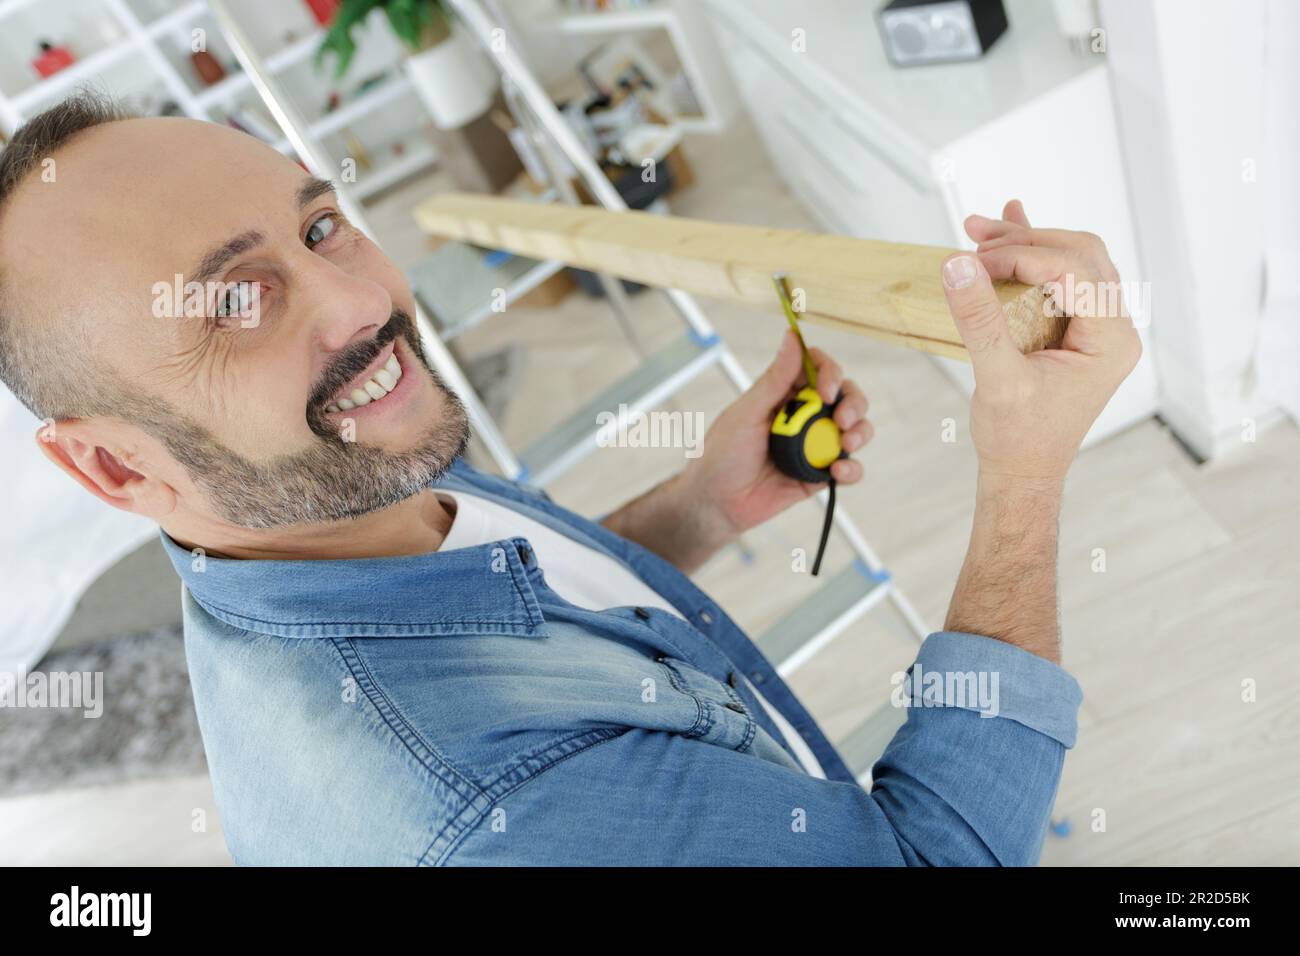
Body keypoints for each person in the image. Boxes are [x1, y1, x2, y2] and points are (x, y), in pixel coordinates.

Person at [0, 94, 1140, 865]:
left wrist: (698, 507)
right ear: (113, 462)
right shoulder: (491, 815)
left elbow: (491, 607)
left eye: (321, 224)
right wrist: (1024, 474)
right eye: (235, 301)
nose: (360, 306)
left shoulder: (316, 495)